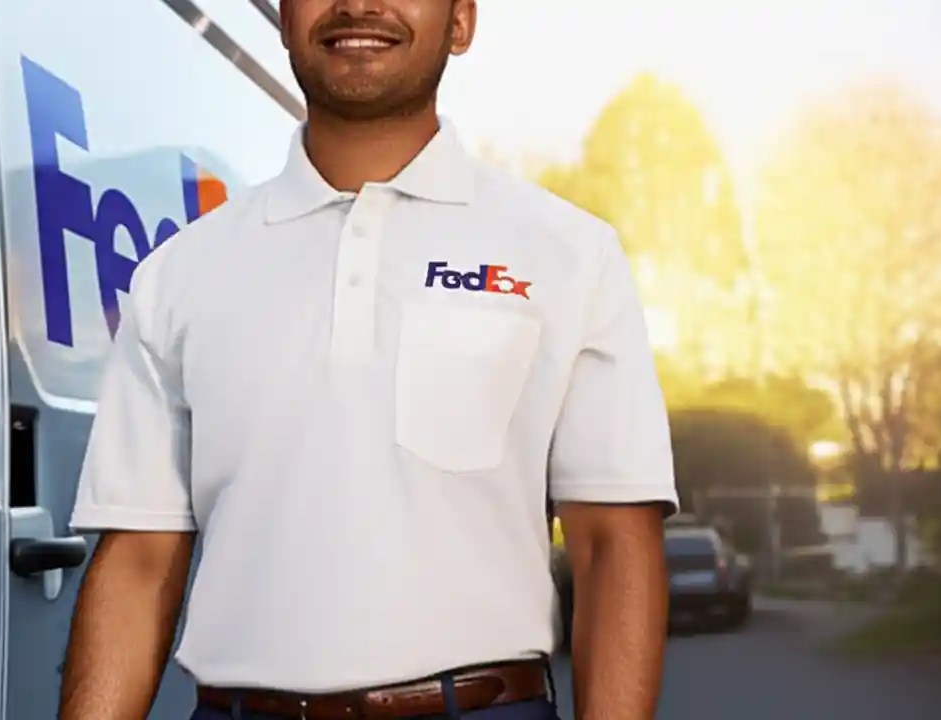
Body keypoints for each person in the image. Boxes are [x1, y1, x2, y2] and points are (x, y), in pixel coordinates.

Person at [58, 1, 679, 718]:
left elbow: (611, 547)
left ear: (461, 22)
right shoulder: (178, 274)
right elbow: (135, 564)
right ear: (286, 17)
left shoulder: (570, 255)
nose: (357, 4)